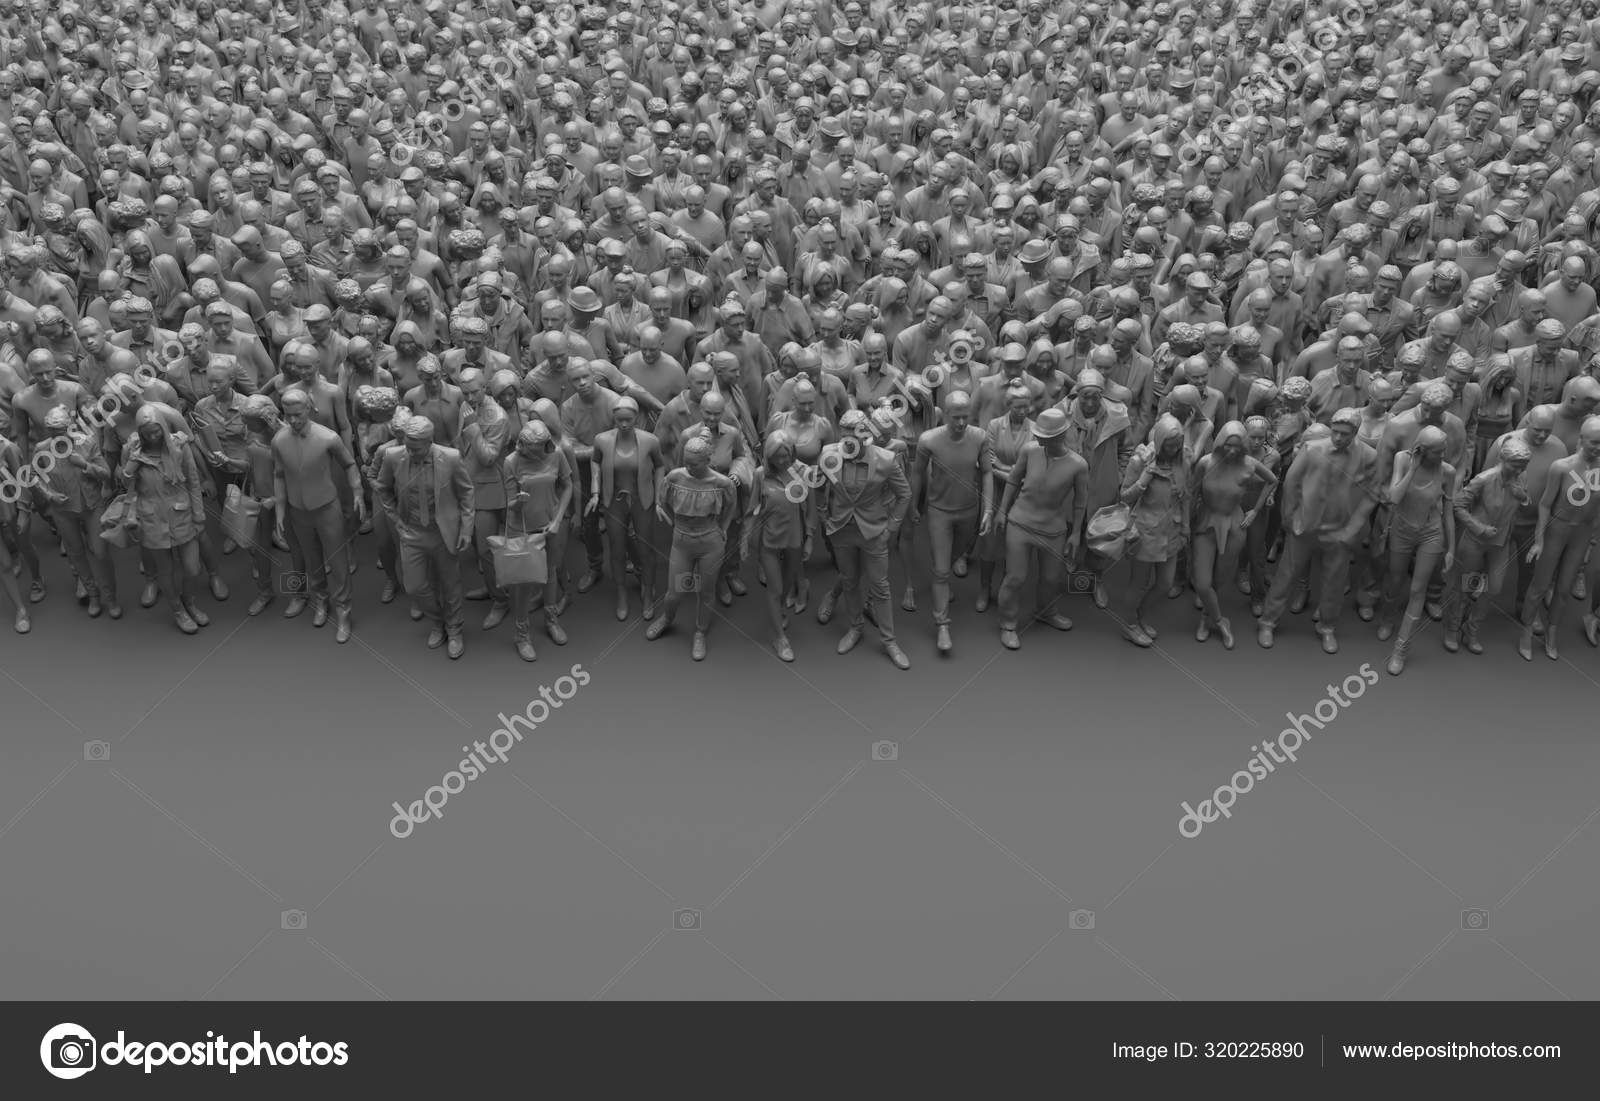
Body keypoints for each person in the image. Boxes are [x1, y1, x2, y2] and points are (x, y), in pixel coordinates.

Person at [1257, 408, 1381, 655]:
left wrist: (1352, 530)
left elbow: (1372, 495)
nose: (1337, 438)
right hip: (1305, 527)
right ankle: (1268, 621)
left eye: (1344, 434)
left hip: (1340, 532)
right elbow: (1291, 483)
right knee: (1286, 576)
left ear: (1355, 433)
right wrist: (1290, 519)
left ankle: (1327, 626)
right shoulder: (1313, 450)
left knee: (1334, 583)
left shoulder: (1368, 456)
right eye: (1335, 432)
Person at [818, 409, 913, 669]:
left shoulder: (885, 459)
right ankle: (856, 627)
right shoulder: (828, 455)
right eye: (844, 437)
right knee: (849, 581)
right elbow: (820, 488)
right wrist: (824, 515)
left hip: (874, 531)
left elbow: (904, 495)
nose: (847, 443)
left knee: (880, 586)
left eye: (853, 438)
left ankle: (889, 641)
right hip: (841, 530)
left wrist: (890, 530)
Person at [375, 415, 476, 660]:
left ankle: (454, 629)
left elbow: (466, 494)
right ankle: (437, 620)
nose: (411, 452)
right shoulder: (393, 457)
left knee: (450, 584)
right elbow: (382, 488)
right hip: (411, 532)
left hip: (443, 532)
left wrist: (465, 530)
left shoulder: (450, 458)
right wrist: (396, 520)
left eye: (416, 447)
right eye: (408, 446)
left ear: (430, 442)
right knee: (414, 586)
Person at [271, 388, 363, 643]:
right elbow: (278, 475)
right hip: (298, 510)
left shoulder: (328, 438)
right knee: (312, 560)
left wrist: (357, 492)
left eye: (297, 414)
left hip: (326, 508)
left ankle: (344, 609)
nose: (292, 420)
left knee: (338, 562)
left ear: (309, 409)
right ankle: (320, 600)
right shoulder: (279, 440)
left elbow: (349, 463)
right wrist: (280, 511)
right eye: (287, 415)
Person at [995, 407, 1087, 651]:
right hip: (1020, 522)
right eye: (1038, 435)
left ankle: (1046, 611)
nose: (1038, 439)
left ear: (1060, 436)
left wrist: (1076, 533)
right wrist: (1002, 511)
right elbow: (1014, 479)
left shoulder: (1078, 465)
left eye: (1044, 436)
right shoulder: (1029, 451)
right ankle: (1008, 623)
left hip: (1053, 528)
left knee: (1051, 578)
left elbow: (1080, 502)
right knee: (1015, 577)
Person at [912, 390, 994, 653]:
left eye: (965, 417)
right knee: (942, 569)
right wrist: (914, 504)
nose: (960, 423)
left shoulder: (979, 437)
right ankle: (942, 624)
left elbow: (988, 473)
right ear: (944, 414)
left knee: (956, 555)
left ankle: (943, 581)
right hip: (939, 511)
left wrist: (989, 510)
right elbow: (916, 474)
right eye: (955, 417)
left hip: (969, 510)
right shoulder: (929, 440)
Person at [645, 434, 737, 661]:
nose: (687, 467)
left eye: (693, 464)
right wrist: (673, 521)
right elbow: (663, 501)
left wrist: (722, 528)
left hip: (710, 542)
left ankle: (700, 632)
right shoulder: (675, 477)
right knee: (674, 593)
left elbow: (731, 506)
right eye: (685, 461)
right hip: (682, 541)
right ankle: (667, 617)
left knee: (705, 591)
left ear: (707, 460)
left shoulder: (721, 483)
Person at [1190, 420, 1279, 651]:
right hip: (1206, 523)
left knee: (1219, 580)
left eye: (1237, 447)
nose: (1232, 451)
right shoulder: (1205, 463)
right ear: (1220, 443)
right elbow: (1192, 493)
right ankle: (1220, 621)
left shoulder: (1249, 465)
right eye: (1227, 445)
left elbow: (1272, 480)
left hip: (1234, 525)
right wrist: (1185, 523)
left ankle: (1205, 618)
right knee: (1202, 583)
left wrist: (1256, 510)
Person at [1378, 426, 1458, 675]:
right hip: (1402, 528)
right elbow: (1394, 497)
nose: (1444, 455)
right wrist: (1413, 467)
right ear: (1421, 450)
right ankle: (1388, 616)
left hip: (1431, 532)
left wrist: (1451, 548)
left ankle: (1401, 648)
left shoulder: (1447, 472)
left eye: (1445, 450)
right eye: (1438, 451)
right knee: (1395, 578)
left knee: (1417, 589)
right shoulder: (1403, 459)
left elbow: (1448, 513)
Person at [121, 406, 209, 634]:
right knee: (165, 570)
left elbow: (193, 481)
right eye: (147, 434)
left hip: (182, 514)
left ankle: (189, 601)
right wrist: (134, 458)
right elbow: (124, 483)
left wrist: (199, 515)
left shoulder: (179, 445)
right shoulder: (133, 447)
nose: (153, 437)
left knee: (192, 568)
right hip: (151, 517)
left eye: (156, 432)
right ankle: (178, 609)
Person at [1443, 437, 1533, 656]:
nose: (1519, 470)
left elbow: (1522, 503)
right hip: (1475, 541)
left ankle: (1471, 628)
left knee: (1494, 588)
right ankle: (1453, 628)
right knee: (1464, 586)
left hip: (1500, 544)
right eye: (1515, 465)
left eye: (1523, 466)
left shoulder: (1521, 478)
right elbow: (1458, 505)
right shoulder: (1484, 479)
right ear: (1502, 459)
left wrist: (1524, 498)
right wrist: (1478, 527)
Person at [1520, 417, 1600, 659]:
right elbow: (1545, 505)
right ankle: (1526, 629)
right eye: (1594, 442)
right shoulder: (1561, 467)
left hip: (1582, 533)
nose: (1598, 448)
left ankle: (1552, 629)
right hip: (1557, 529)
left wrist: (1592, 539)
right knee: (1540, 584)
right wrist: (1539, 539)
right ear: (1581, 440)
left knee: (1563, 587)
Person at [590, 396, 668, 621]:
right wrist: (595, 491)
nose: (624, 424)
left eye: (629, 419)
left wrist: (659, 496)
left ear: (637, 417)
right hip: (614, 500)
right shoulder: (602, 440)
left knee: (646, 548)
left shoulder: (650, 440)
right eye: (619, 419)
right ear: (613, 417)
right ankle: (621, 594)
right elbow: (595, 462)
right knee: (616, 548)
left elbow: (660, 466)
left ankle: (648, 591)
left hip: (641, 499)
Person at [503, 421, 574, 662]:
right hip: (521, 528)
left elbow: (567, 485)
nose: (527, 452)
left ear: (544, 445)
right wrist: (519, 501)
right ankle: (521, 634)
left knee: (550, 573)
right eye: (524, 447)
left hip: (549, 525)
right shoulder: (512, 461)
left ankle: (551, 620)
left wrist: (557, 519)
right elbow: (510, 503)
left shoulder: (557, 455)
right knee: (523, 583)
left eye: (534, 448)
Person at [749, 434, 816, 662]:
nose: (782, 461)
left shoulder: (804, 473)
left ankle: (780, 611)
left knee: (787, 586)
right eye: (777, 457)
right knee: (775, 589)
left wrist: (809, 537)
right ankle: (779, 638)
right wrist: (745, 541)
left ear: (792, 452)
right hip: (768, 540)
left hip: (794, 539)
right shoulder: (761, 475)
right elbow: (752, 509)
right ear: (769, 456)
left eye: (786, 455)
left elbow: (812, 510)